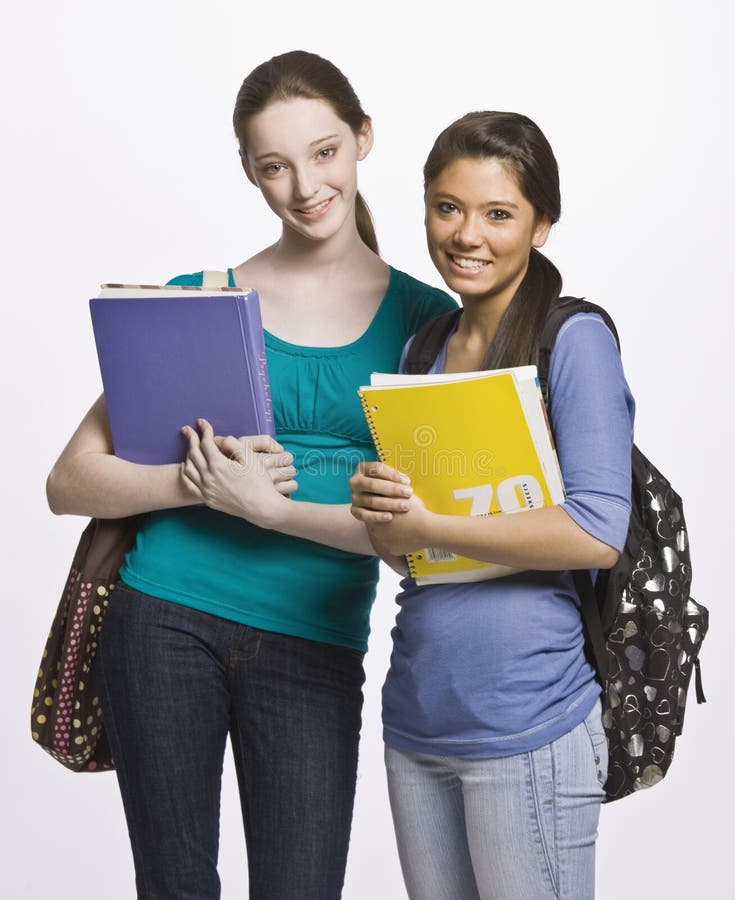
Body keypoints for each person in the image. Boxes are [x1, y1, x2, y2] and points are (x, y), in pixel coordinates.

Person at [45, 50, 456, 900]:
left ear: (362, 140)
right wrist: (195, 487)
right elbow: (70, 482)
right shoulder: (200, 300)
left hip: (314, 640)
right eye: (275, 165)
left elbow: (416, 538)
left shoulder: (429, 324)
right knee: (175, 884)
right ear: (249, 173)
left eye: (324, 152)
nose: (305, 185)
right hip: (164, 619)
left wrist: (267, 509)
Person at [349, 111, 635, 899]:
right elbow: (414, 552)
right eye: (447, 207)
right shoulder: (423, 349)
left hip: (529, 722)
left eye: (497, 213)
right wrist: (380, 512)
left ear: (542, 225)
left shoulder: (570, 340)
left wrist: (427, 523)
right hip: (419, 718)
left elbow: (596, 529)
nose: (466, 234)